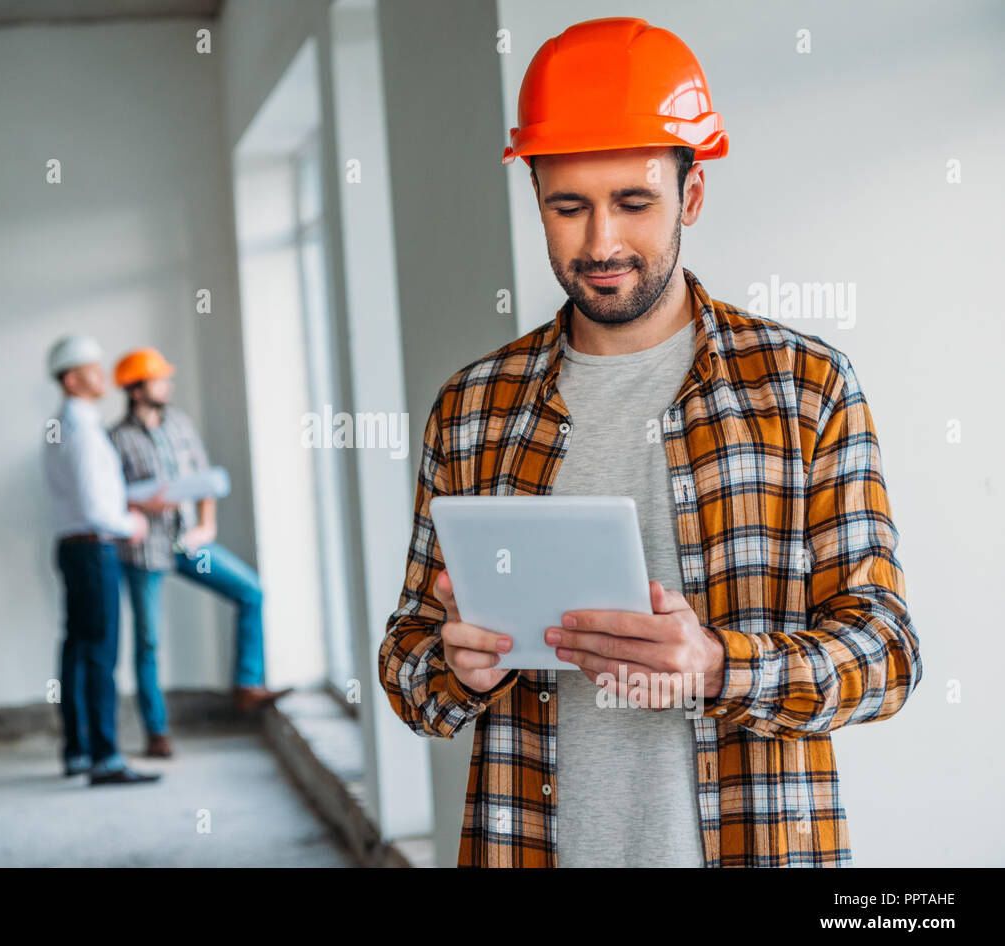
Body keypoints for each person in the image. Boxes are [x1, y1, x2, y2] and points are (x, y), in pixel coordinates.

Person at [378, 17, 922, 867]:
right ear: (537, 199)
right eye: (569, 206)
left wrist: (716, 665)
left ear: (691, 195)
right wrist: (455, 669)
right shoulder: (474, 407)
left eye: (633, 202)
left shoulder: (805, 388)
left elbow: (887, 651)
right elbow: (408, 660)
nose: (599, 243)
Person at [109, 348, 292, 759]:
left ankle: (246, 685)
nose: (167, 385)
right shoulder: (117, 438)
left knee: (250, 591)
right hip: (144, 552)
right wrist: (140, 505)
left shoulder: (180, 425)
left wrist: (206, 527)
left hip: (188, 544)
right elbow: (106, 499)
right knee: (148, 642)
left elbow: (205, 479)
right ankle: (157, 733)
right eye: (159, 380)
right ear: (136, 390)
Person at [43, 334, 161, 786]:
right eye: (92, 368)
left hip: (73, 546)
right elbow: (96, 508)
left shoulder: (63, 425)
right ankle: (106, 757)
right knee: (100, 653)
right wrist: (130, 522)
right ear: (72, 379)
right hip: (94, 548)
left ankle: (78, 750)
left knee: (77, 648)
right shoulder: (83, 429)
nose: (102, 374)